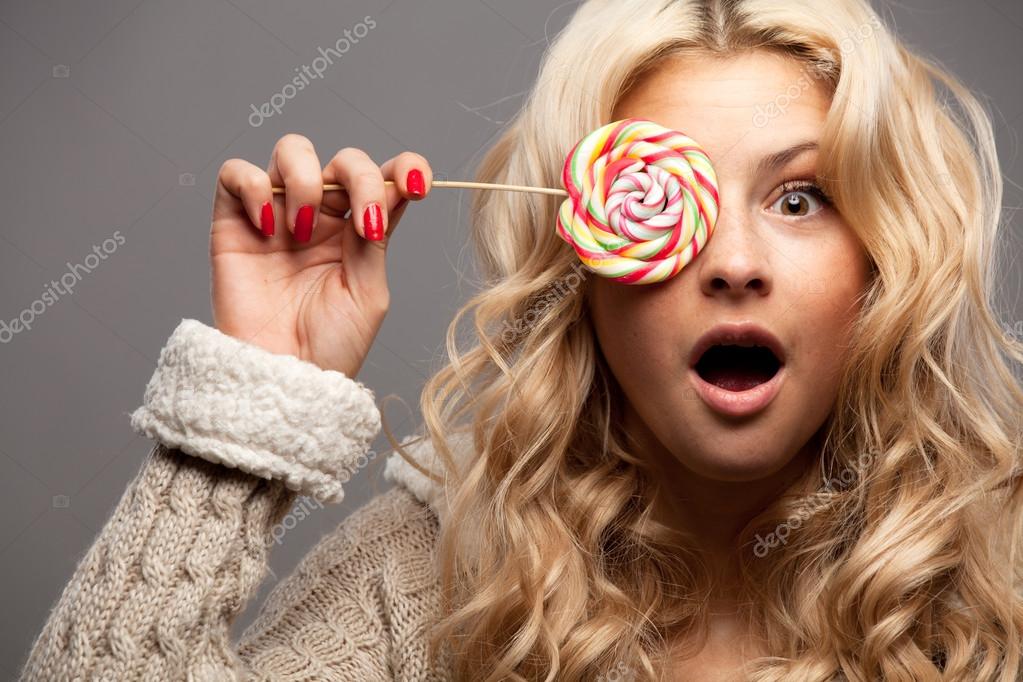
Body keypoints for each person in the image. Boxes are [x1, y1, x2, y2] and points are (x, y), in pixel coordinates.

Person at [21, 0, 1023, 679]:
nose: (733, 262)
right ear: (582, 257)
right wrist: (253, 398)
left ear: (879, 254)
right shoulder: (444, 570)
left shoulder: (1002, 571)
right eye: (674, 198)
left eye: (800, 197)